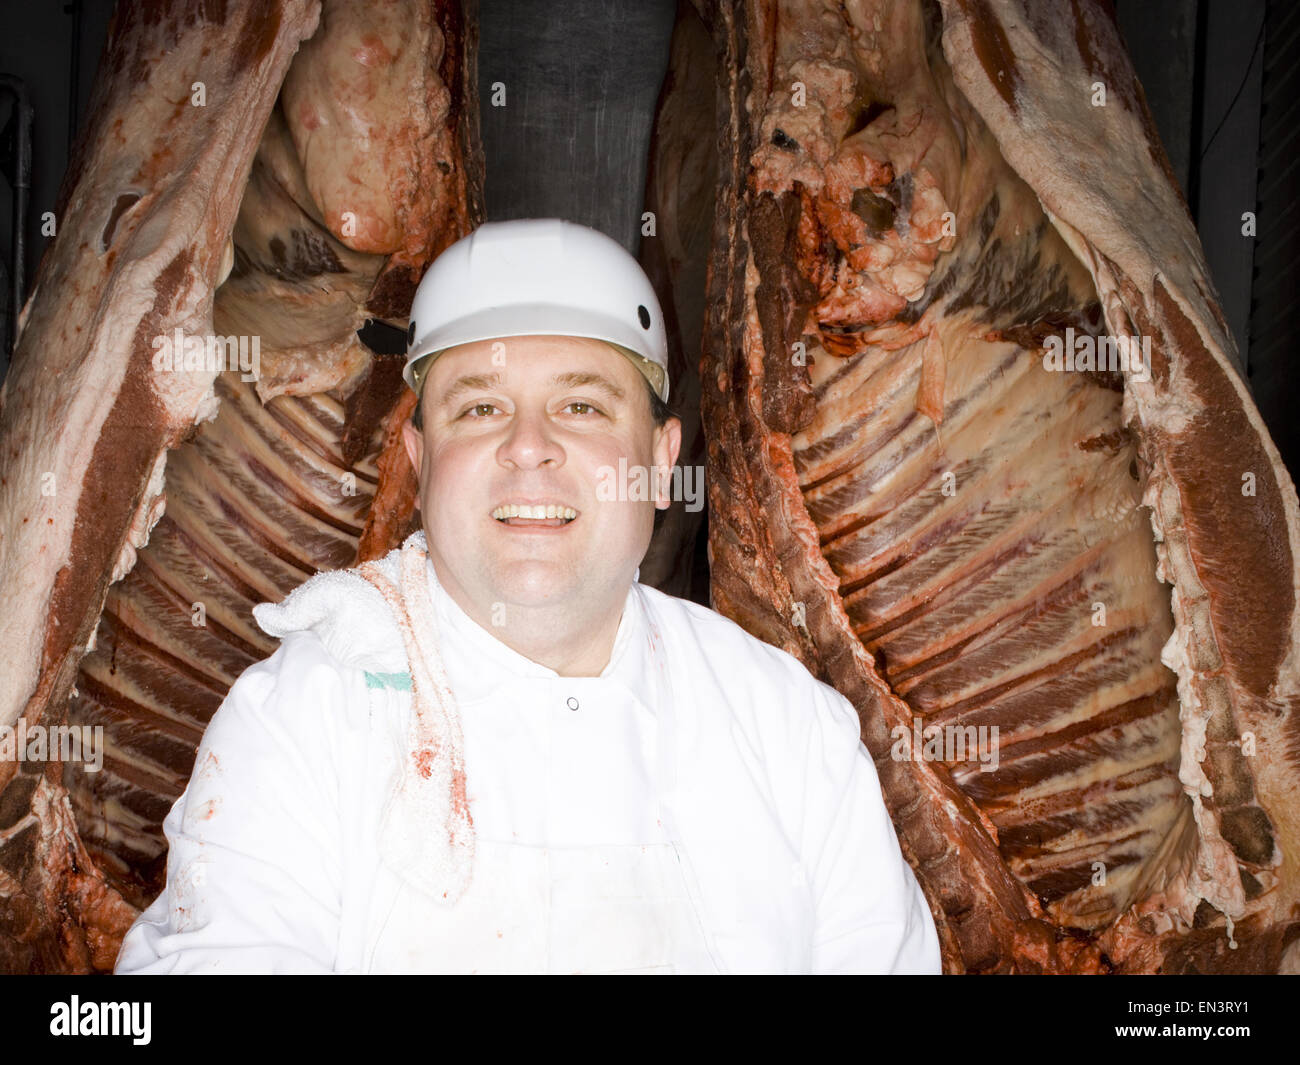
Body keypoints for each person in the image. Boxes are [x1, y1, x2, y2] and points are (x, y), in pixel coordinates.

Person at [114, 218, 941, 974]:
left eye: (580, 405)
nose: (529, 448)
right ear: (419, 458)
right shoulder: (305, 718)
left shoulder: (791, 732)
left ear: (659, 460)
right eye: (480, 407)